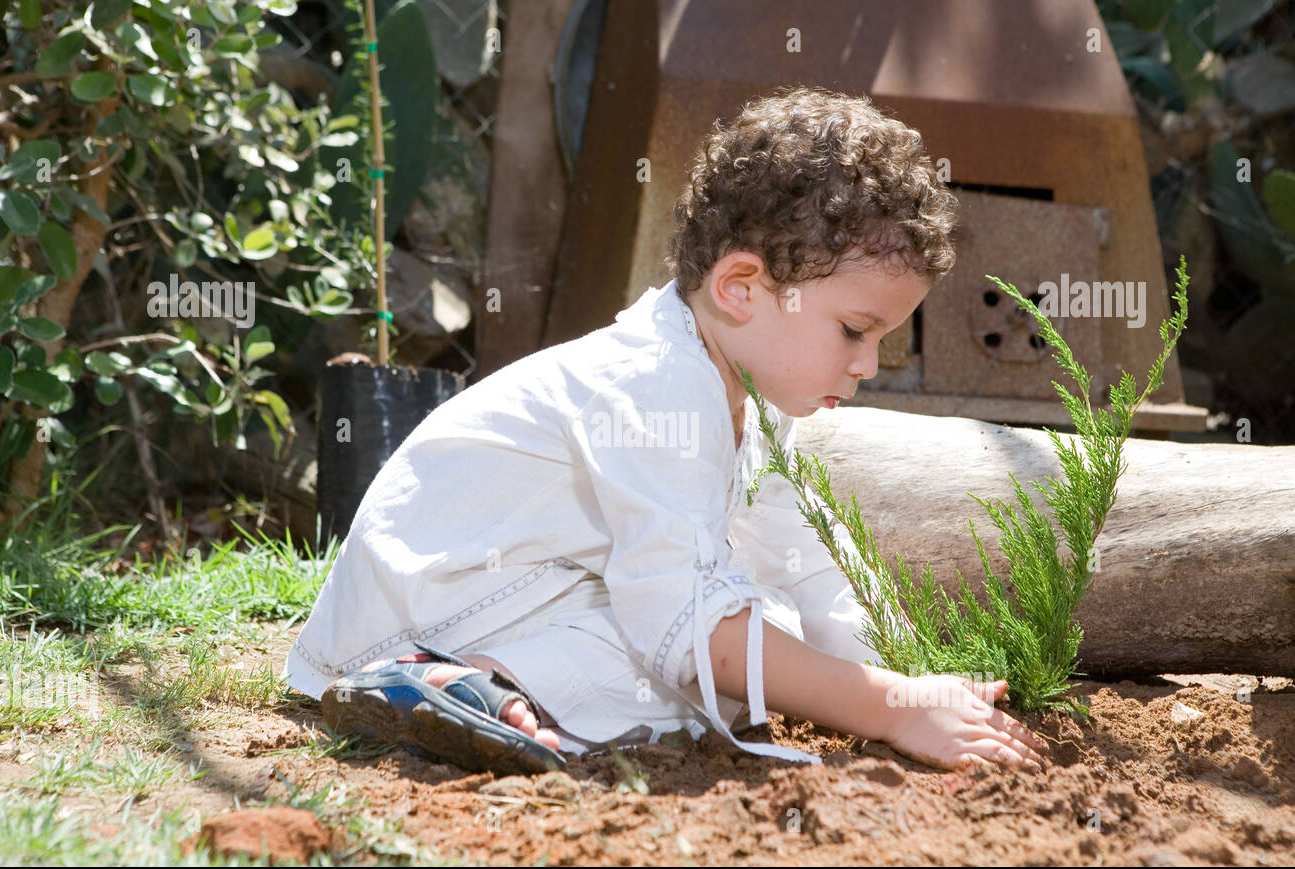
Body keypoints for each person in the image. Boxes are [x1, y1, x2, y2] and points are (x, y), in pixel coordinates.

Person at [283, 86, 1046, 777]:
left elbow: (804, 559)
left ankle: (482, 686)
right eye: (853, 329)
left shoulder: (750, 396)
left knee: (756, 633)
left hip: (520, 599)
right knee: (698, 655)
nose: (869, 364)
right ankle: (453, 679)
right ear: (741, 289)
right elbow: (688, 626)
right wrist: (885, 707)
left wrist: (911, 680)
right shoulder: (658, 382)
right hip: (425, 611)